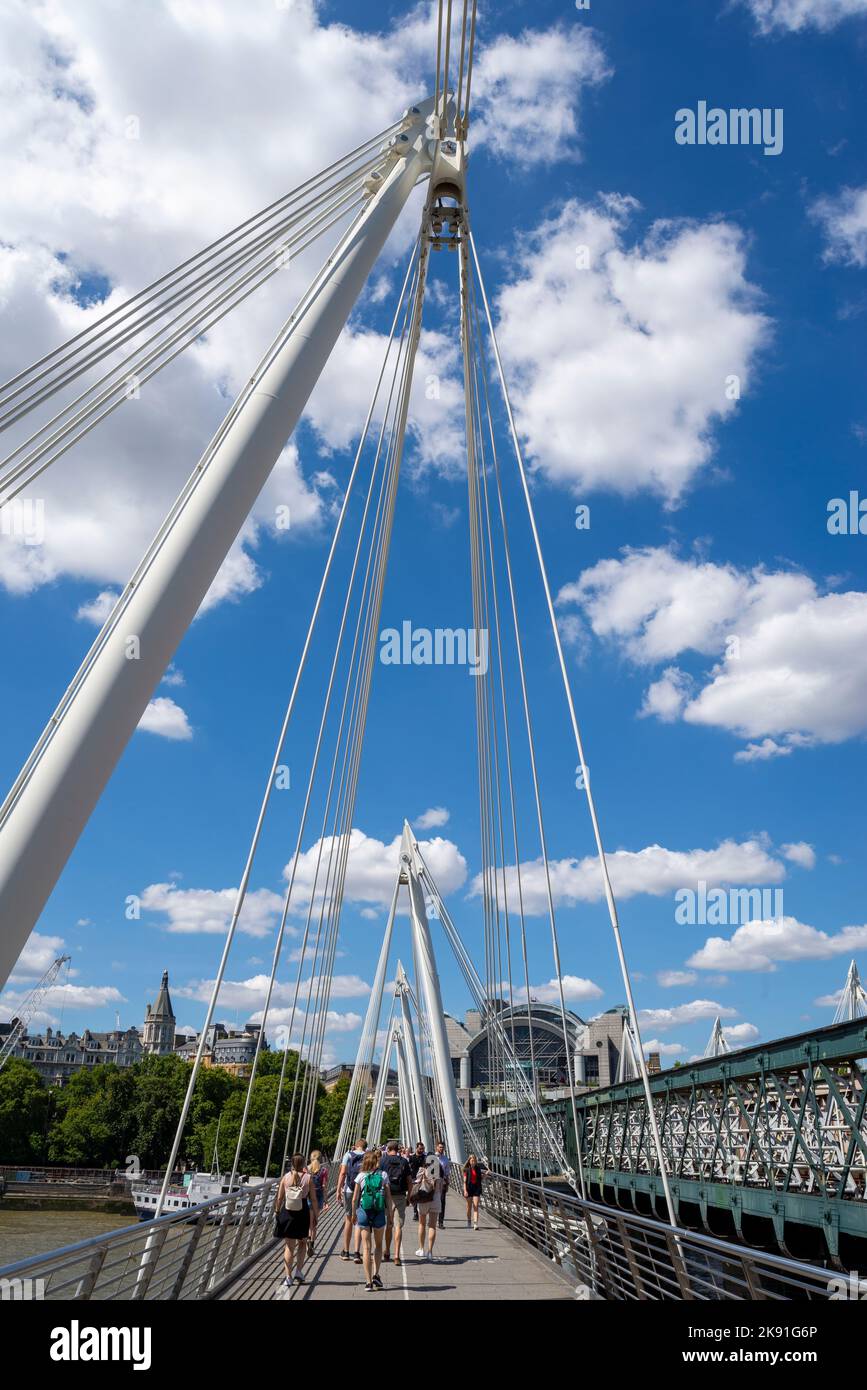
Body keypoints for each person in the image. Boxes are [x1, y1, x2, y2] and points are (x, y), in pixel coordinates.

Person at [351, 1149, 393, 1291]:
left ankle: (368, 1282)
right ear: (376, 1161)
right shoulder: (383, 1175)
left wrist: (353, 1214)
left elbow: (355, 1198)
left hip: (364, 1212)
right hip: (379, 1212)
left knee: (366, 1247)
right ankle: (376, 1274)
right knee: (379, 1245)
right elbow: (388, 1197)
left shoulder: (361, 1176)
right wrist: (391, 1216)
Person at [274, 1154, 311, 1286]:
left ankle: (288, 1277)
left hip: (288, 1213)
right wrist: (315, 1217)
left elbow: (279, 1198)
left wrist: (277, 1211)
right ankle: (299, 1272)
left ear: (292, 1164)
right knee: (302, 1243)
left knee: (289, 1247)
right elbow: (313, 1199)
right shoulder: (308, 1178)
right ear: (303, 1164)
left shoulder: (285, 1177)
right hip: (302, 1214)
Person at [380, 1140, 411, 1265]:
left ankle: (387, 1251)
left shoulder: (383, 1161)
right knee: (398, 1226)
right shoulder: (404, 1161)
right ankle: (397, 1255)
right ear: (398, 1149)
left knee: (389, 1224)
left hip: (387, 1195)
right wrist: (409, 1196)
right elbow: (409, 1181)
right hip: (400, 1195)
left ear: (388, 1149)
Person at [336, 1138, 366, 1263]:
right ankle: (357, 1253)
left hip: (349, 1190)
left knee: (348, 1219)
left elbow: (343, 1173)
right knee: (359, 1220)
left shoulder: (348, 1155)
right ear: (365, 1147)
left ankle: (346, 1251)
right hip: (363, 1190)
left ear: (355, 1146)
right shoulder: (368, 1156)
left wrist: (338, 1190)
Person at [412, 1151, 442, 1261]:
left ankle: (421, 1249)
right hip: (436, 1198)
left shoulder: (422, 1170)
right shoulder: (439, 1172)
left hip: (424, 1198)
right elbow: (442, 1187)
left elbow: (417, 1182)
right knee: (432, 1226)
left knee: (422, 1223)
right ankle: (430, 1251)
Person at [463, 1154, 484, 1230]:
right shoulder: (466, 1169)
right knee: (469, 1207)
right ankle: (469, 1220)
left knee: (476, 1206)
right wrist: (465, 1191)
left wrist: (486, 1174)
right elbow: (464, 1182)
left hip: (476, 1188)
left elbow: (480, 1179)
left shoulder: (478, 1169)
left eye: (474, 1160)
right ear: (469, 1161)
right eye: (472, 1160)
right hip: (469, 1188)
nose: (473, 1162)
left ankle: (475, 1224)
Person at [408, 1140, 427, 1222]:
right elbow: (409, 1168)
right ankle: (415, 1212)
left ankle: (421, 1211)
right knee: (415, 1196)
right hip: (414, 1179)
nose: (421, 1150)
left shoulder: (425, 1158)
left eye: (422, 1149)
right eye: (420, 1149)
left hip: (423, 1179)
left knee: (421, 1196)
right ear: (416, 1149)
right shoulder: (412, 1158)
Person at [435, 1141, 450, 1228]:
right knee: (433, 1200)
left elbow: (447, 1172)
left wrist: (447, 1183)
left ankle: (441, 1222)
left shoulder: (445, 1159)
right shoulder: (432, 1157)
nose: (441, 1149)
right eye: (440, 1147)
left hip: (443, 1182)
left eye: (442, 1147)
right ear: (437, 1147)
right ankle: (433, 1218)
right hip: (434, 1182)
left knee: (442, 1201)